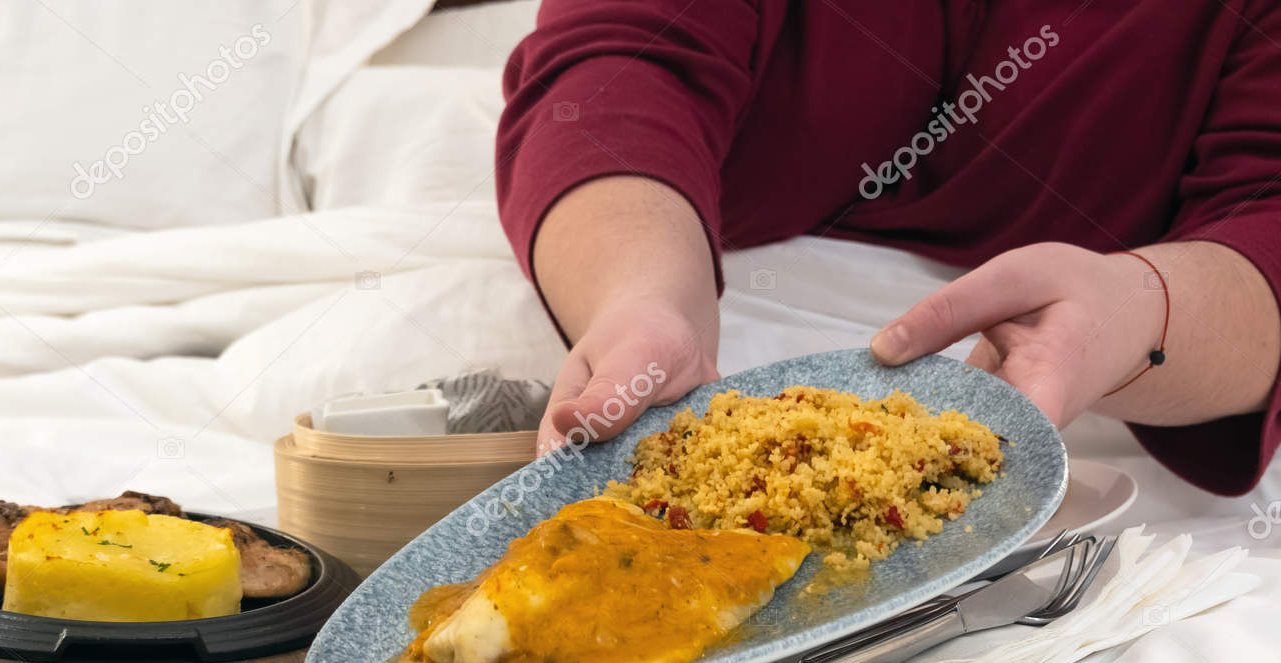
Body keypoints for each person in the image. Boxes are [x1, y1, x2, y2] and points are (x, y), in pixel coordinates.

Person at [496, 0, 1281, 495]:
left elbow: (1265, 224)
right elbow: (616, 71)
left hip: (1098, 405)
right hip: (690, 325)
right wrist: (643, 300)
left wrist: (1141, 314)